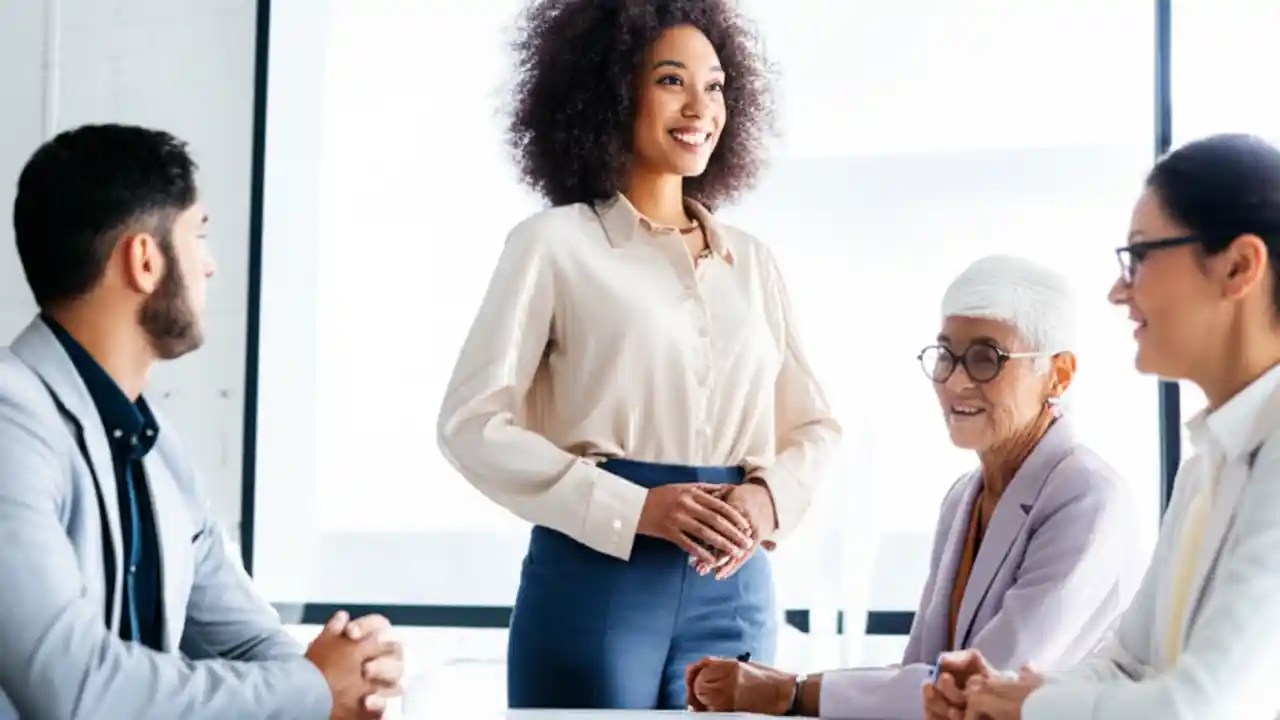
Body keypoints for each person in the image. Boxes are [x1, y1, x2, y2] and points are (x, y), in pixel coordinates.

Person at [436, 0, 841, 710]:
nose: (700, 107)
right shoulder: (553, 246)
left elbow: (814, 428)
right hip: (598, 578)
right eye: (671, 81)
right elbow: (471, 423)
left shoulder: (754, 264)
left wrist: (764, 499)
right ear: (613, 87)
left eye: (715, 86)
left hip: (734, 583)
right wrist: (633, 508)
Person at [0, 124, 404, 720]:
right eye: (200, 234)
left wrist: (354, 679)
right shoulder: (12, 420)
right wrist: (315, 691)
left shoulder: (157, 446)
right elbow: (76, 687)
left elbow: (244, 641)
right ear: (144, 259)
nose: (209, 266)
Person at [686, 255, 1144, 718]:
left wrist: (790, 692)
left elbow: (985, 688)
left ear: (1059, 373)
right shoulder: (963, 498)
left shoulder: (1089, 498)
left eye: (987, 359)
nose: (956, 381)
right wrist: (785, 688)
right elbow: (924, 674)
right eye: (946, 355)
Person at [927, 134, 1280, 720]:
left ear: (1238, 267)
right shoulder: (1204, 466)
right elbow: (1130, 661)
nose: (1119, 291)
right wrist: (1008, 691)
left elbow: (1204, 705)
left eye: (1139, 256)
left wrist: (1026, 710)